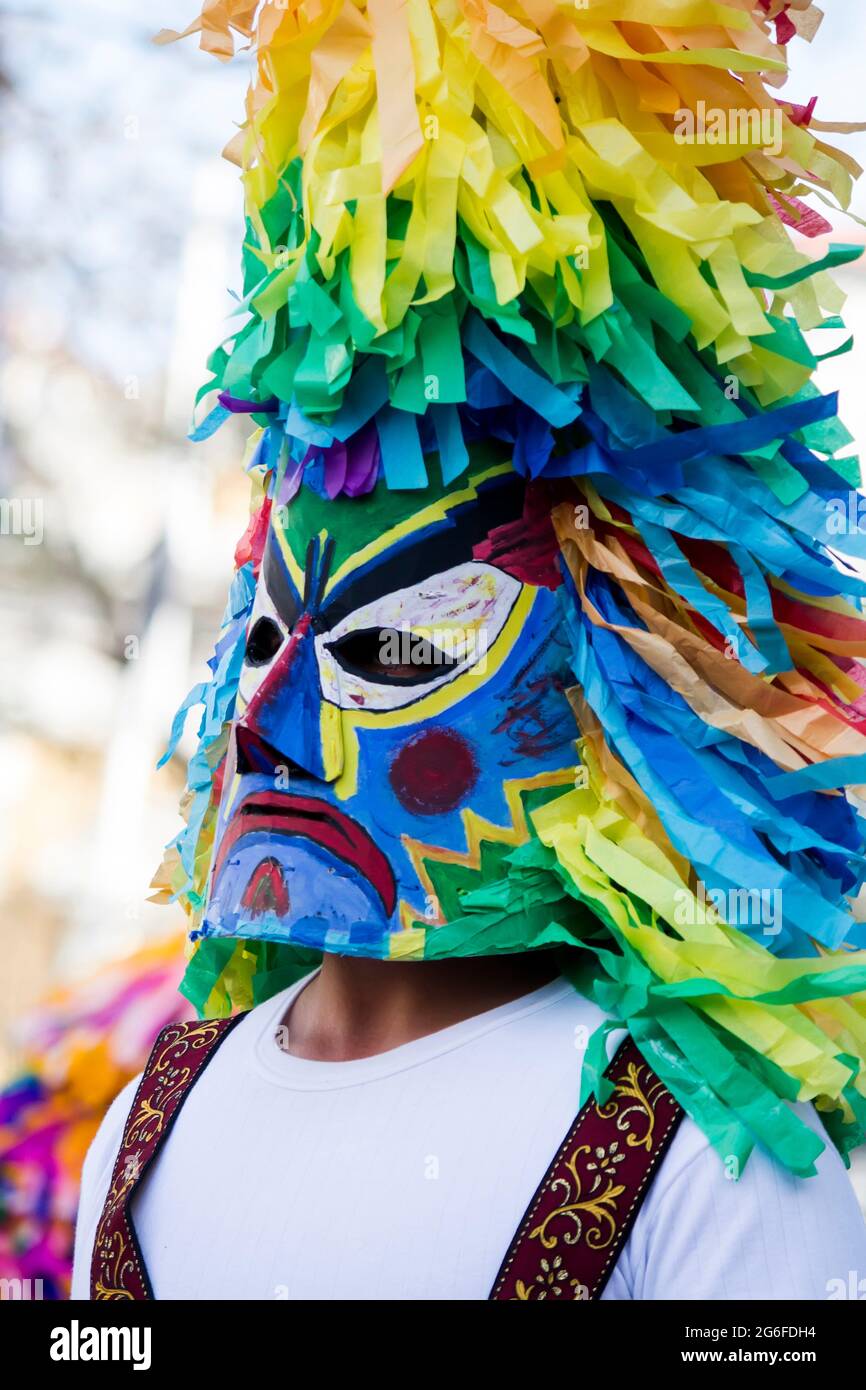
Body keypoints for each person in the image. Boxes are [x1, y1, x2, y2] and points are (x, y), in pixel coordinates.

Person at [73, 0, 866, 1299]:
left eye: (395, 646)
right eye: (264, 633)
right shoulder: (145, 1129)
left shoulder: (715, 1167)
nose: (270, 720)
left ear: (627, 692)